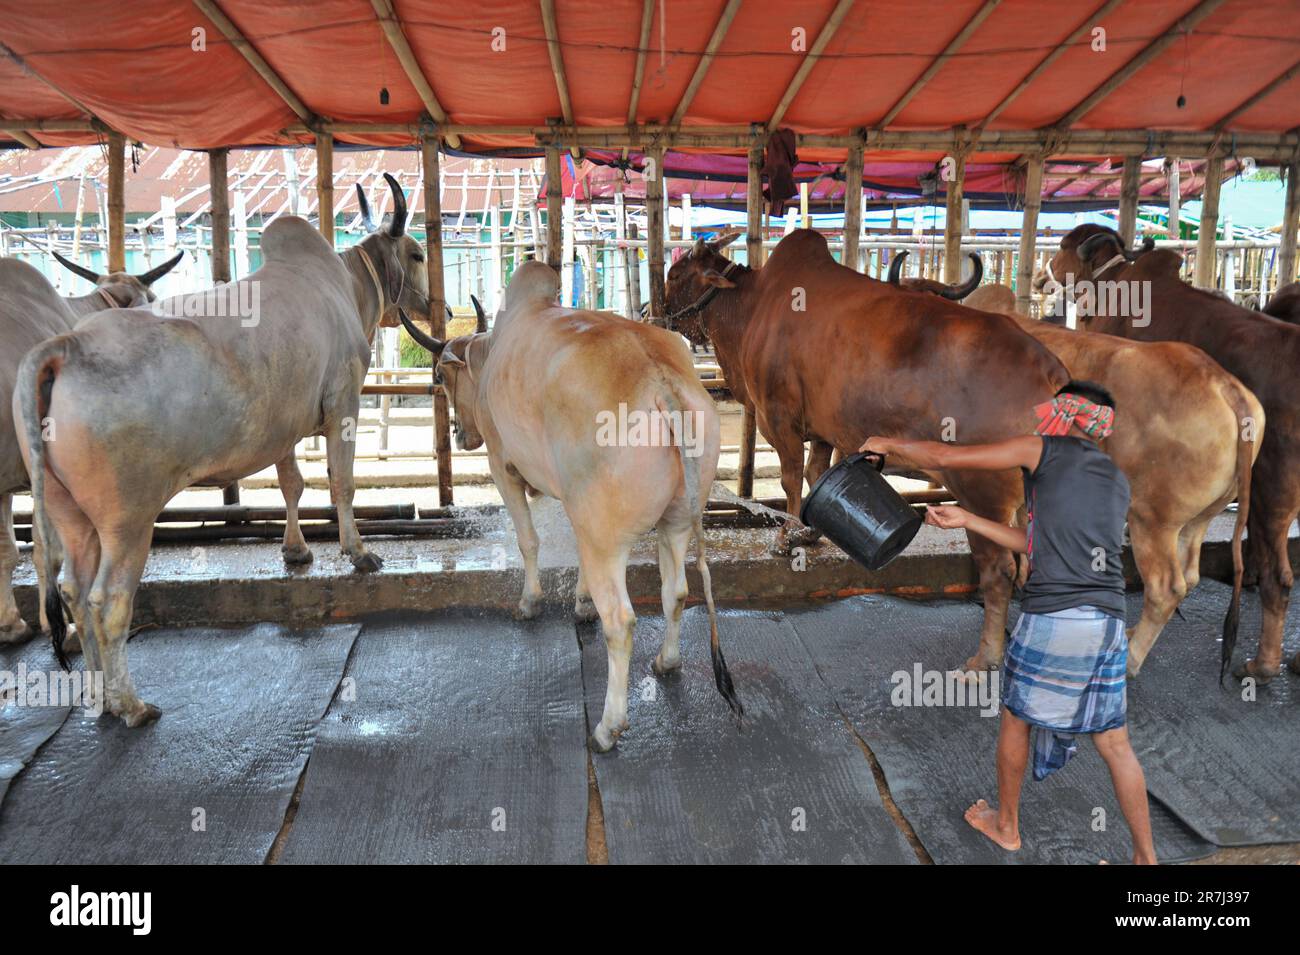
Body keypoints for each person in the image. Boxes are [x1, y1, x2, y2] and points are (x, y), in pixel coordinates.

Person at [860, 380, 1156, 864]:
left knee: (1016, 720)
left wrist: (888, 445)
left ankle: (1007, 826)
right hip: (1106, 622)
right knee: (1115, 743)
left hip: (1055, 616)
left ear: (1063, 412)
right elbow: (1038, 544)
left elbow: (948, 456)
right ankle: (1147, 860)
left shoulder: (1042, 449)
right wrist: (969, 520)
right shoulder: (1114, 478)